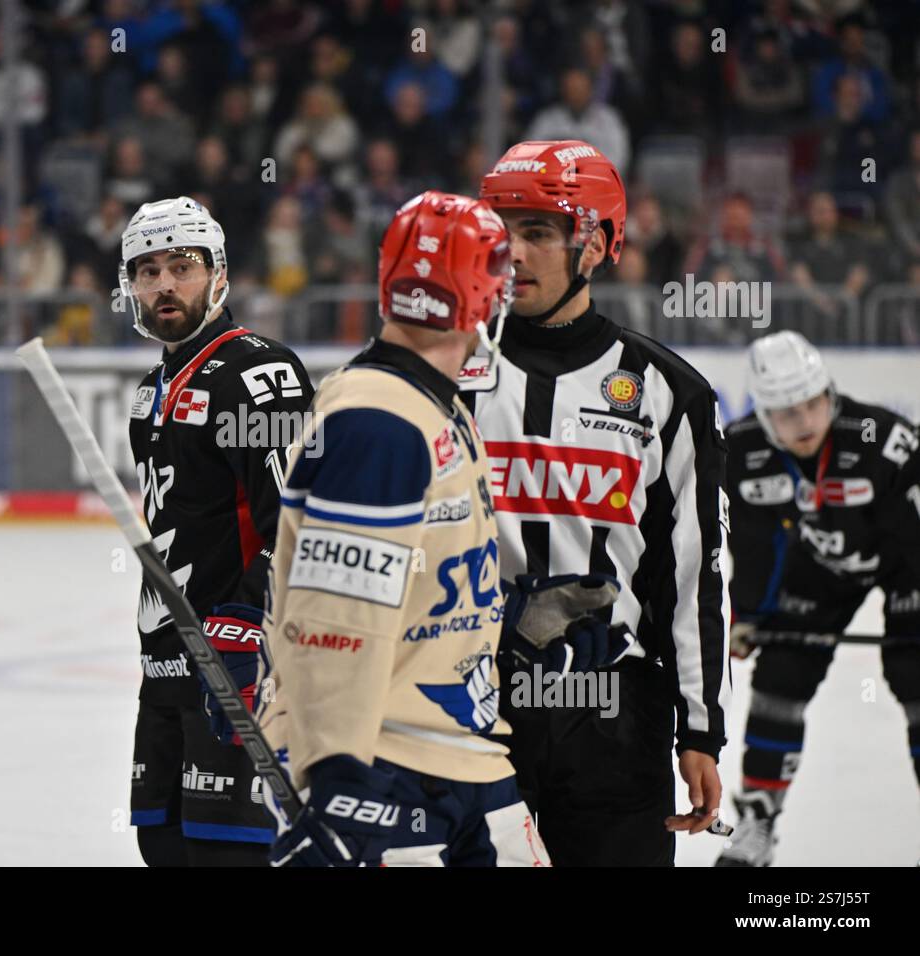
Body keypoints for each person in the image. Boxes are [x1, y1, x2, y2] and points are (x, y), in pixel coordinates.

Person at [258, 190, 622, 866]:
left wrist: (520, 625)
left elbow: (417, 581)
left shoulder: (429, 405)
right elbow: (336, 618)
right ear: (484, 298)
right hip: (383, 765)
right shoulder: (380, 420)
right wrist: (340, 783)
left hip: (465, 754)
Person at [464, 140, 732, 865]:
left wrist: (701, 730)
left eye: (539, 233)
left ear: (599, 244)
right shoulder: (447, 374)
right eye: (501, 230)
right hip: (472, 710)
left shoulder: (669, 391)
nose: (511, 253)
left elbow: (693, 571)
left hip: (617, 718)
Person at [119, 196, 313, 866]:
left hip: (235, 671)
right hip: (166, 665)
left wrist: (248, 629)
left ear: (219, 272)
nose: (164, 284)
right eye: (147, 271)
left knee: (226, 853)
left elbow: (295, 524)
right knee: (163, 844)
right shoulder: (151, 390)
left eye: (181, 266)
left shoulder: (259, 374)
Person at [717, 331, 920, 866]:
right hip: (819, 572)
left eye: (812, 405)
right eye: (786, 413)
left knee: (916, 671)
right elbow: (755, 543)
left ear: (829, 392)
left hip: (905, 563)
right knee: (782, 675)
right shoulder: (741, 450)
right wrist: (749, 614)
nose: (804, 422)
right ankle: (758, 820)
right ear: (762, 414)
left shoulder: (884, 438)